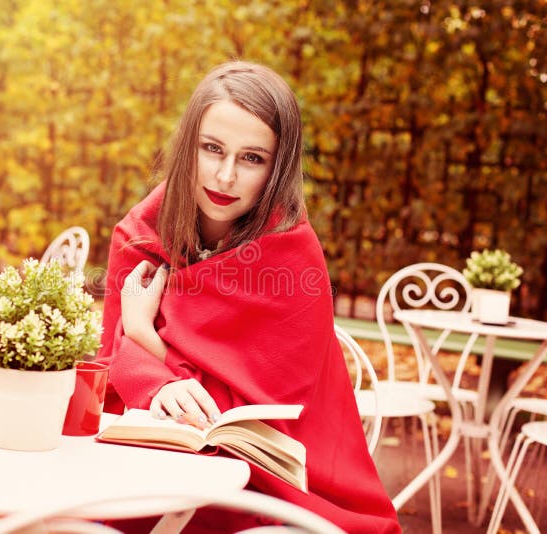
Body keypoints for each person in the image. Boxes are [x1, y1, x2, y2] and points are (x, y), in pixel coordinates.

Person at [97, 60, 400, 533]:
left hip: (272, 485)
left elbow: (243, 418)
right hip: (149, 457)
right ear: (187, 147)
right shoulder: (139, 235)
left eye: (252, 158)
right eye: (211, 149)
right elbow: (108, 373)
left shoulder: (293, 256)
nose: (224, 177)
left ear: (277, 168)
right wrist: (151, 375)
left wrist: (142, 335)